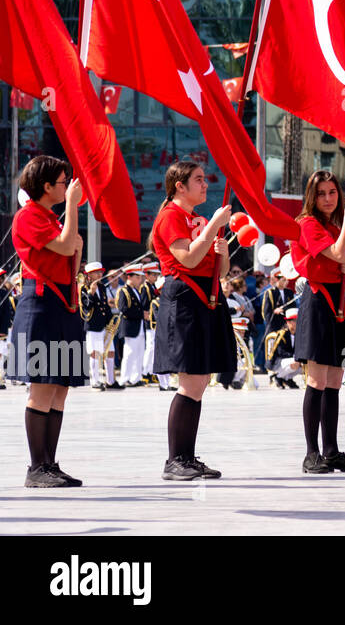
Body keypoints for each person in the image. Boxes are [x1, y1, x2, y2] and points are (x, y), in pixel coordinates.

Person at [150, 160, 234, 480]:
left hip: (205, 298)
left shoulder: (194, 219)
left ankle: (187, 455)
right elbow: (187, 257)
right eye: (198, 180)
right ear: (179, 186)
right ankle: (175, 459)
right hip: (185, 299)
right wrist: (213, 224)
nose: (205, 185)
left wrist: (223, 252)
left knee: (199, 382)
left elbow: (218, 272)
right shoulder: (171, 216)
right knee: (189, 382)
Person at [9, 157, 86, 487]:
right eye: (62, 181)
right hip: (41, 306)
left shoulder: (49, 218)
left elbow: (73, 259)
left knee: (59, 390)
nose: (67, 186)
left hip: (62, 305)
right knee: (41, 389)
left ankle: (49, 464)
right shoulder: (29, 217)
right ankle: (36, 467)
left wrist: (73, 240)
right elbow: (68, 246)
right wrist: (72, 206)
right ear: (46, 187)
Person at [290, 170, 345, 474]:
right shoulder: (307, 224)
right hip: (319, 303)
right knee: (317, 380)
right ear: (312, 196)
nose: (328, 199)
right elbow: (334, 253)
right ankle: (312, 453)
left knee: (335, 381)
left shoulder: (334, 227)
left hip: (342, 304)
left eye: (332, 192)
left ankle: (332, 451)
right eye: (321, 193)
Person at [79, 262, 117, 391]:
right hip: (93, 325)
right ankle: (95, 381)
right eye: (97, 272)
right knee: (95, 353)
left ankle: (111, 381)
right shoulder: (84, 288)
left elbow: (105, 307)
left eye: (100, 272)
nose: (100, 274)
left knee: (110, 352)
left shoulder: (102, 287)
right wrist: (91, 293)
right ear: (89, 275)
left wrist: (111, 322)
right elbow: (86, 307)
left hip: (104, 325)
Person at [116, 266, 148, 387]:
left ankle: (135, 377)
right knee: (129, 353)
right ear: (129, 277)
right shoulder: (124, 291)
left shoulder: (136, 290)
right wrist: (141, 314)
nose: (140, 279)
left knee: (139, 352)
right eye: (137, 276)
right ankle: (124, 378)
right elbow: (123, 309)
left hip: (138, 326)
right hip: (130, 326)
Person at [266, 308, 302, 387]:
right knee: (295, 362)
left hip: (290, 359)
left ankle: (287, 378)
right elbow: (281, 352)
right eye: (295, 320)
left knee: (304, 364)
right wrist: (296, 357)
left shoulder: (299, 334)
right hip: (278, 361)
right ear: (288, 322)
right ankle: (277, 377)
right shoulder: (282, 334)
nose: (298, 323)